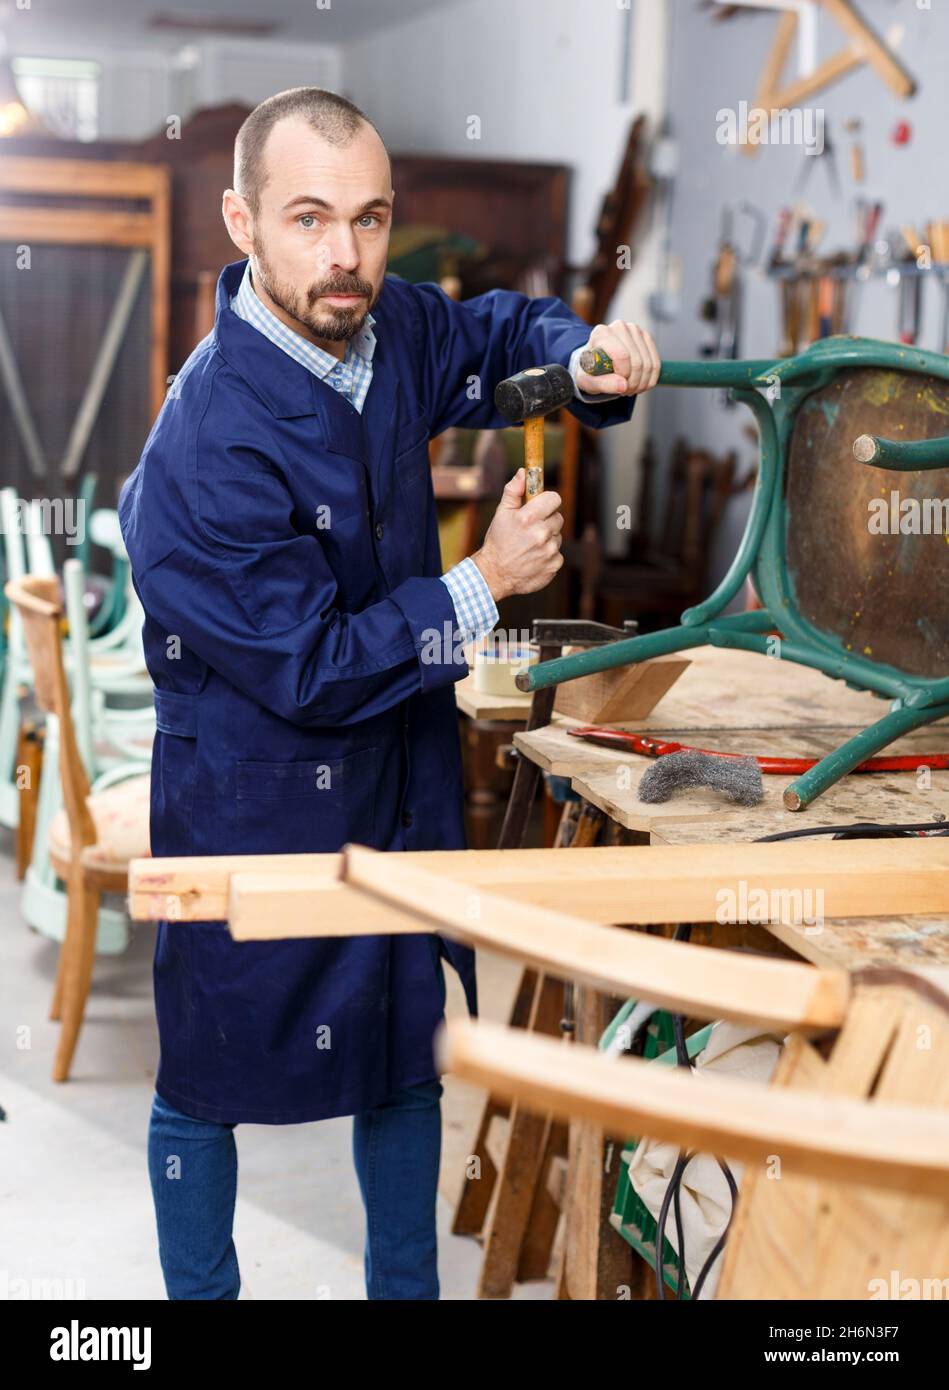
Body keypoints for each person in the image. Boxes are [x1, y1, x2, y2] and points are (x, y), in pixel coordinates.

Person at [119, 86, 661, 1300]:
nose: (346, 255)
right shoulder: (208, 437)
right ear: (240, 222)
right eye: (309, 220)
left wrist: (585, 360)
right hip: (253, 805)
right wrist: (481, 584)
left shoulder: (390, 328)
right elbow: (306, 663)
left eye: (370, 219)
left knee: (405, 1057)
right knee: (208, 1078)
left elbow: (502, 339)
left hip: (397, 776)